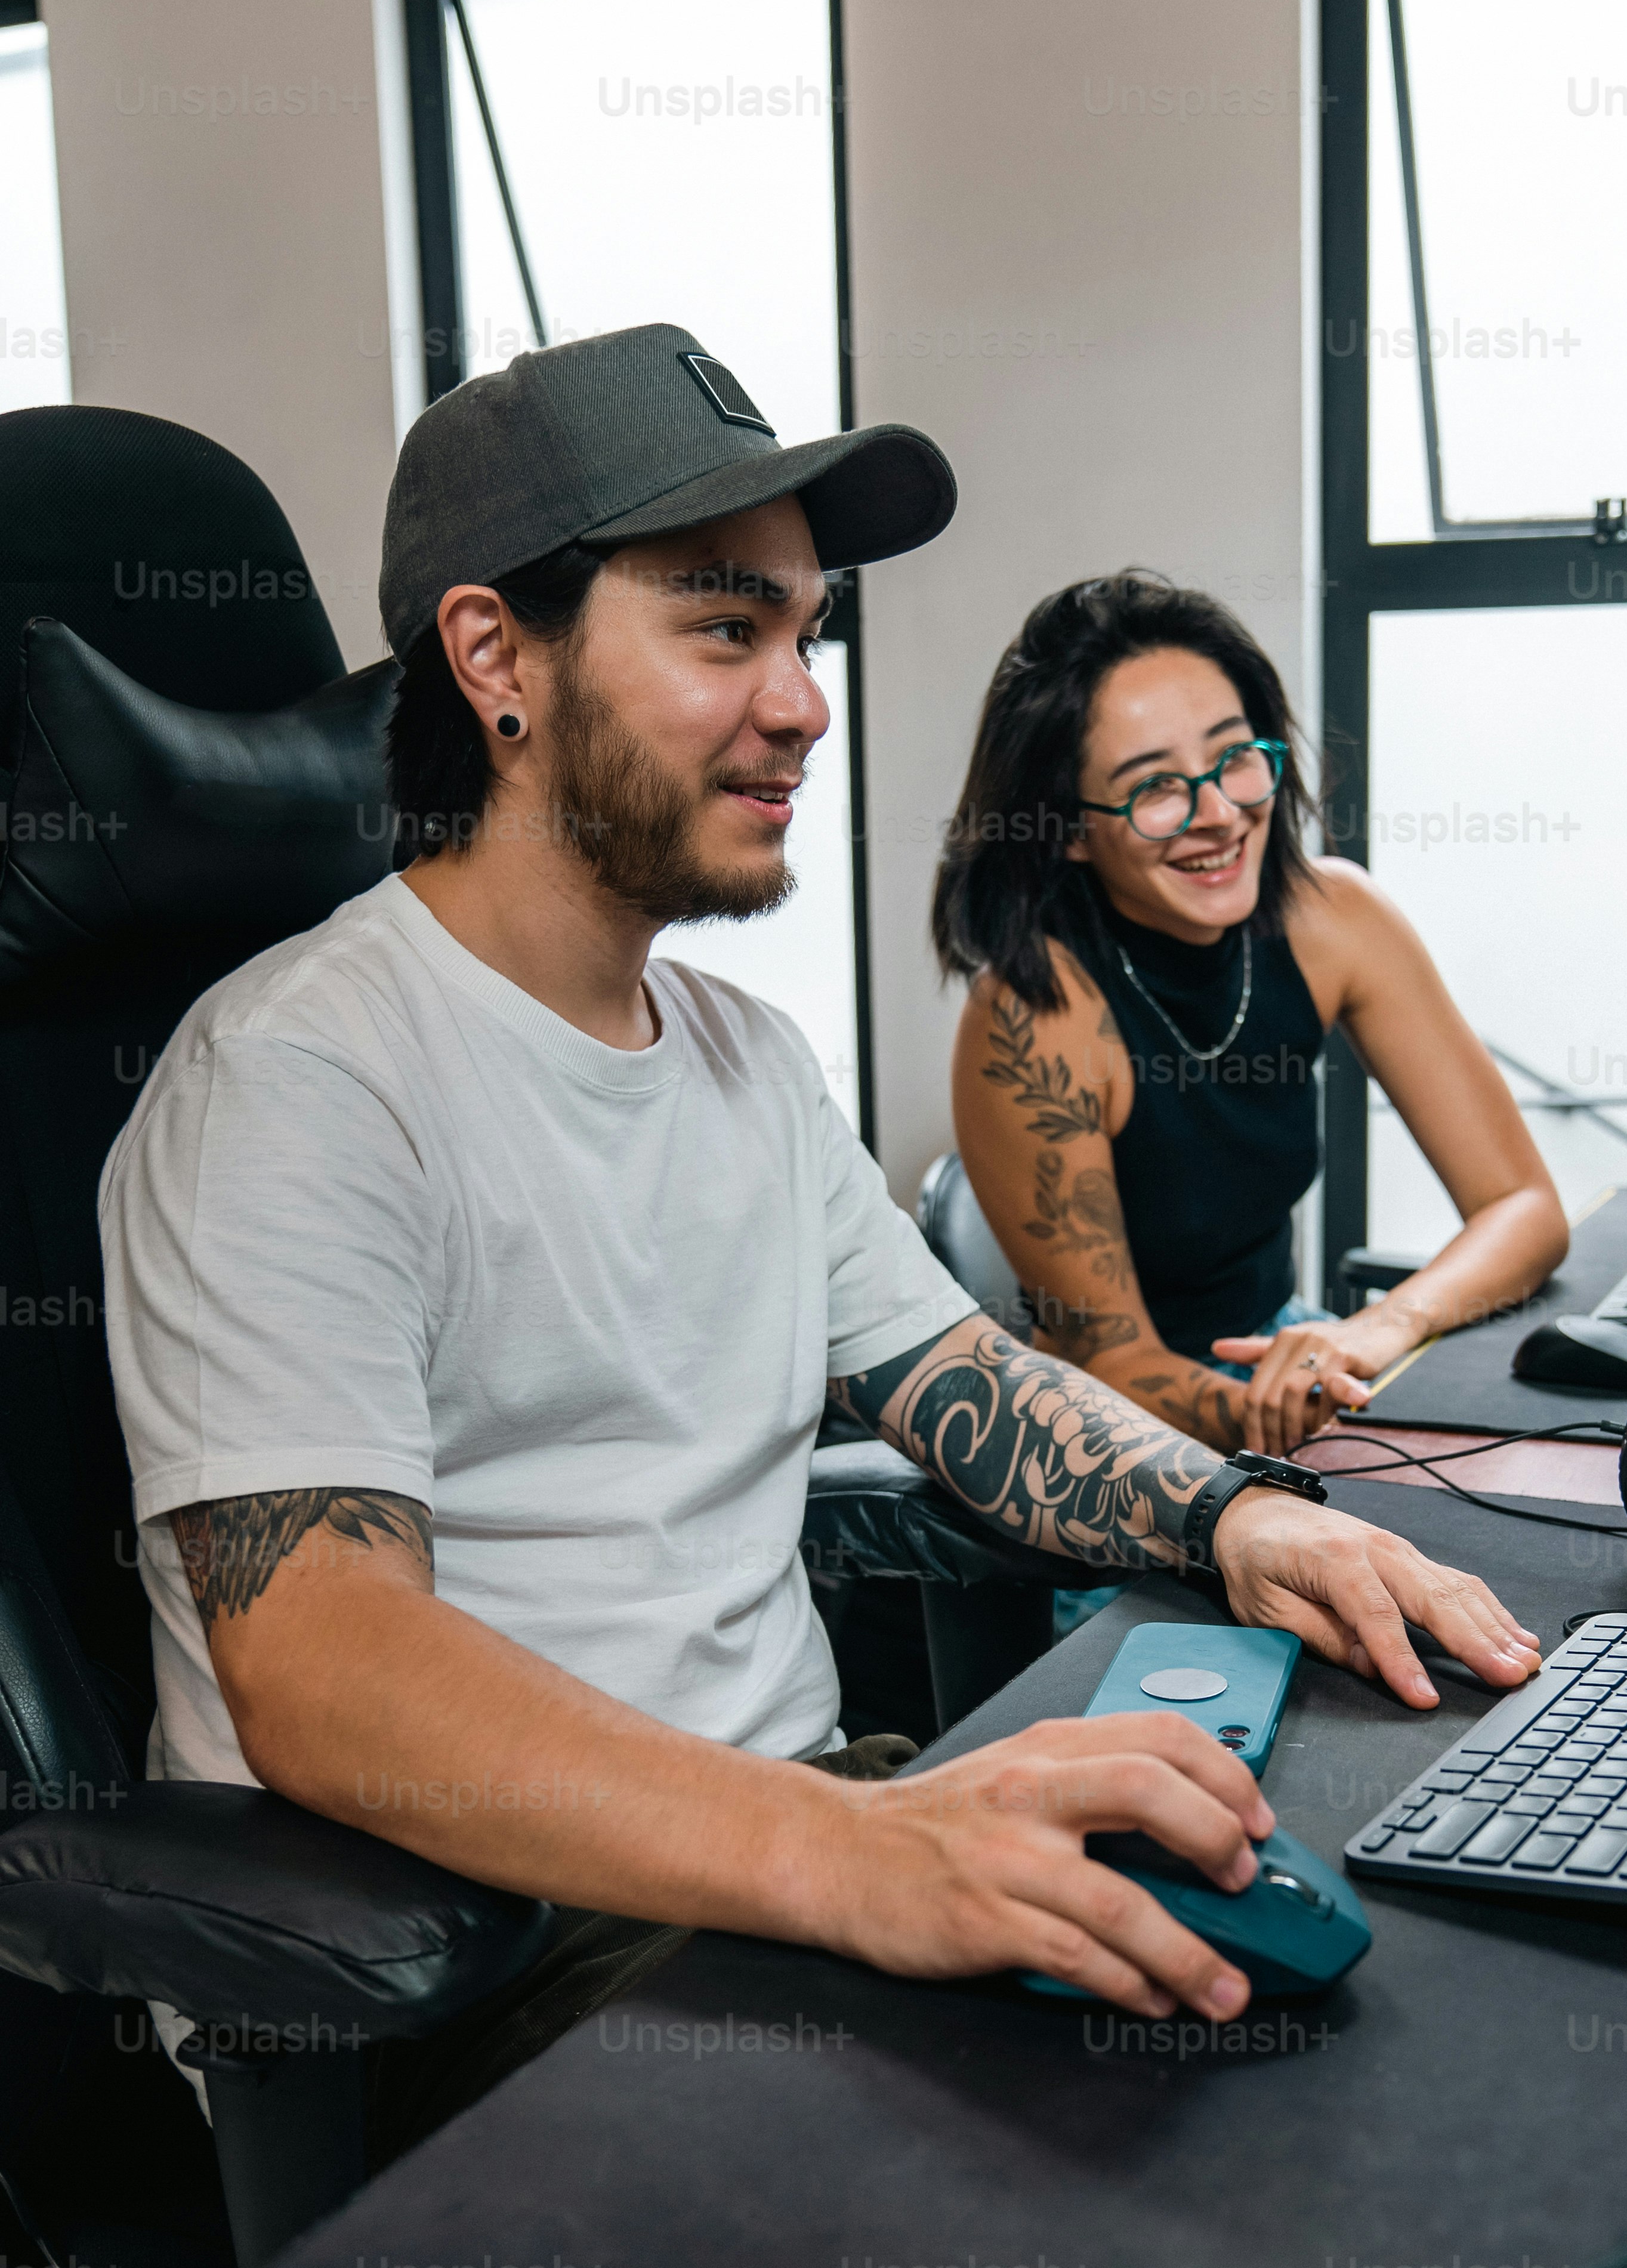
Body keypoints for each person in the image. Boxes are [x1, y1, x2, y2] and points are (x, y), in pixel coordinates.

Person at [100, 330, 1542, 2152]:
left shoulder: (743, 1062)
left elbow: (962, 1379)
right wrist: (853, 1850)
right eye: (725, 630)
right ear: (494, 658)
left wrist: (1239, 1515)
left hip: (793, 1841)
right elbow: (322, 1674)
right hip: (487, 1965)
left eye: (807, 633)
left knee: (1338, 2023)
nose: (803, 701)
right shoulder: (293, 1078)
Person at [935, 570, 1568, 1457]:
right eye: (1154, 787)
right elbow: (1110, 1360)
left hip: (1288, 1363)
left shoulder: (1334, 917)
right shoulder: (1034, 1014)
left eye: (1235, 756)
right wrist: (1273, 1411)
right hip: (1117, 1433)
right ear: (1067, 830)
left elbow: (1523, 1205)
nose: (1221, 813)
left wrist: (1370, 1337)